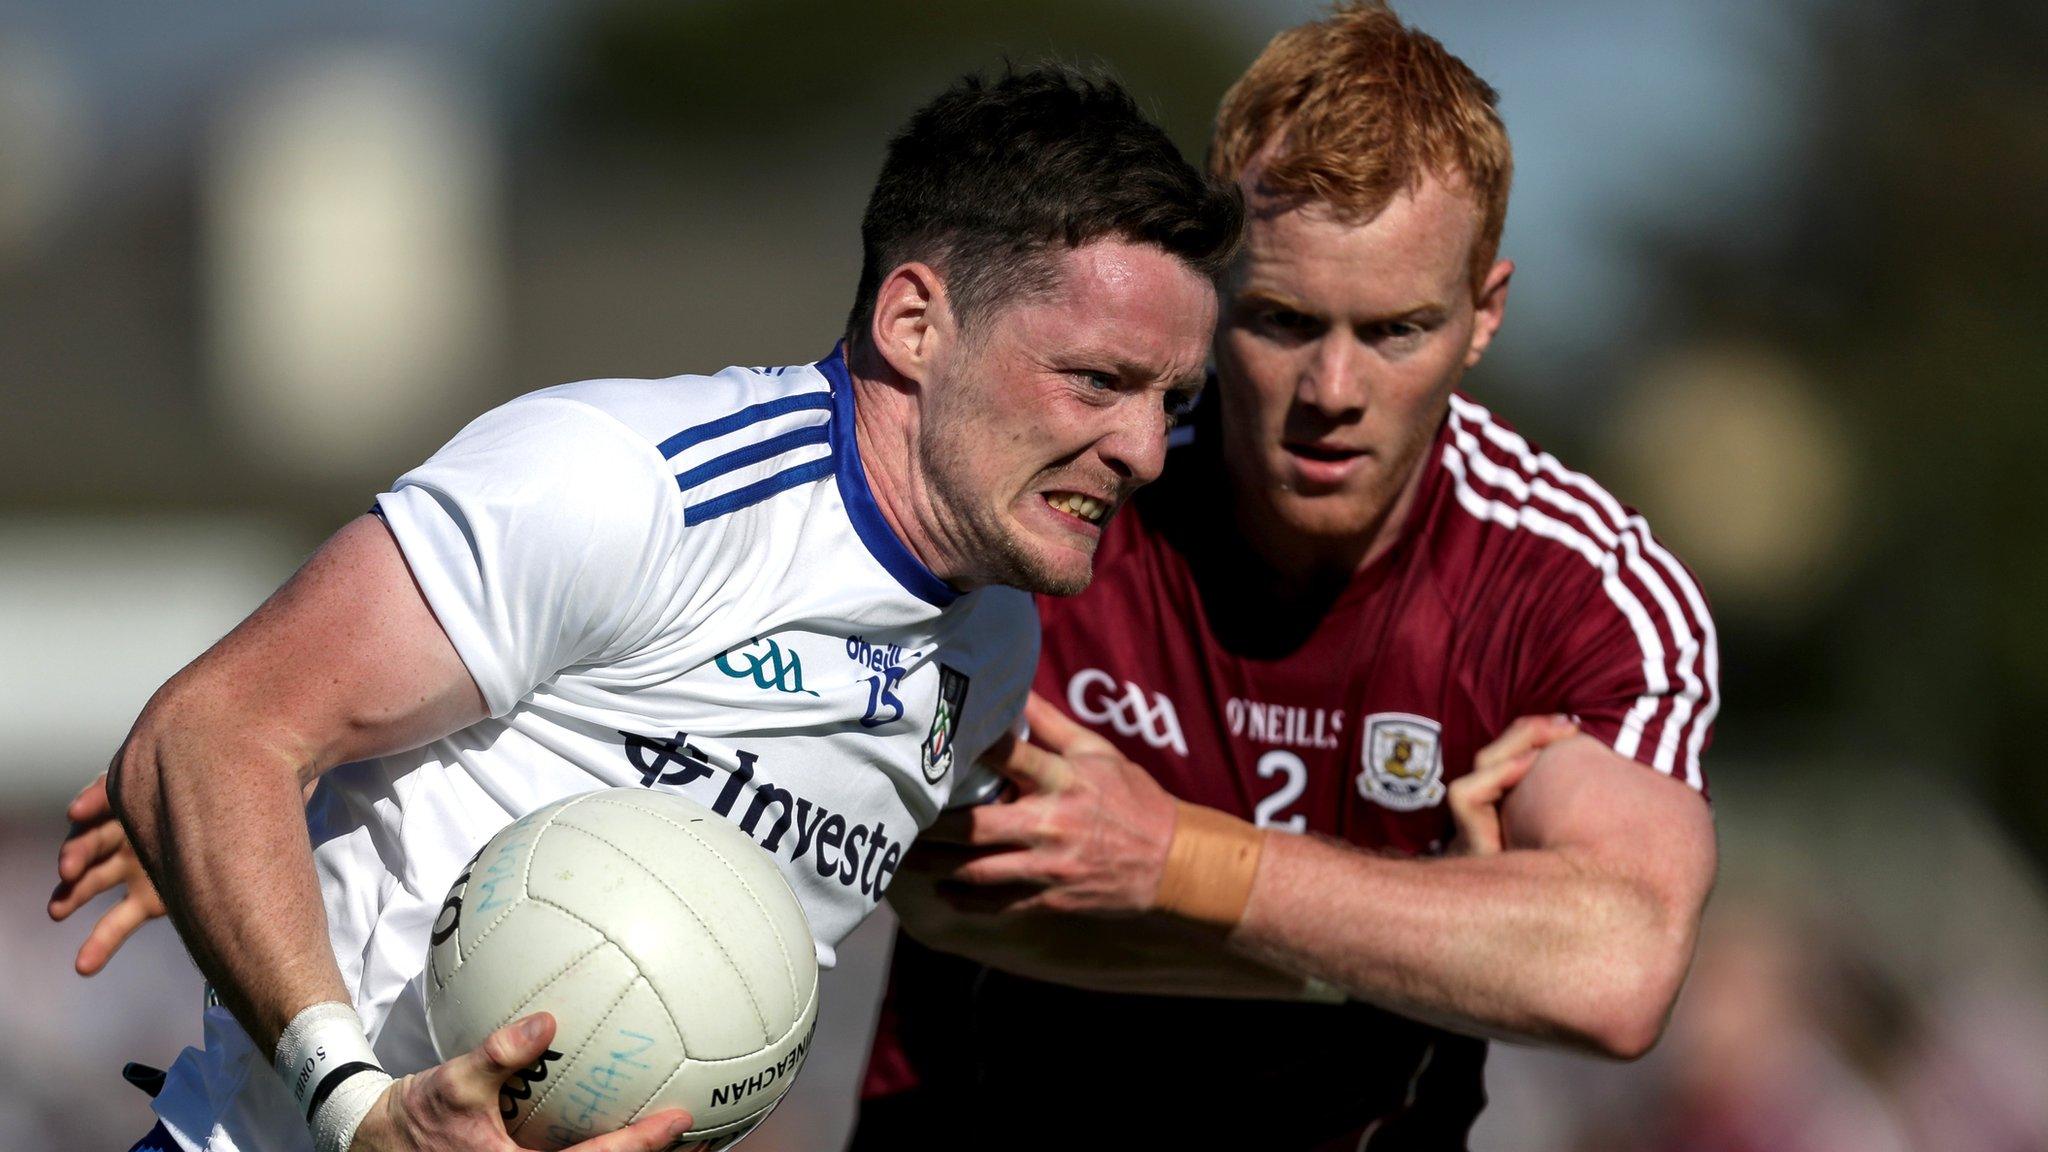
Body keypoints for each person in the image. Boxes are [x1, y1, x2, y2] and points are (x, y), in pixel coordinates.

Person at [46, 65, 1240, 1152]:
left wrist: (1185, 870)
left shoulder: (990, 641)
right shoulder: (629, 486)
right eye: (1097, 379)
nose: (1142, 448)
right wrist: (359, 1113)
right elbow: (209, 735)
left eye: (1170, 397)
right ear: (914, 323)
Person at [853, 6, 1721, 1149]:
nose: (1330, 390)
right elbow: (945, 894)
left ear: (1483, 315)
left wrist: (1168, 857)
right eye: (1279, 319)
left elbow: (1612, 970)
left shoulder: (1581, 592)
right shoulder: (1056, 503)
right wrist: (1431, 926)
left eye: (1397, 329)